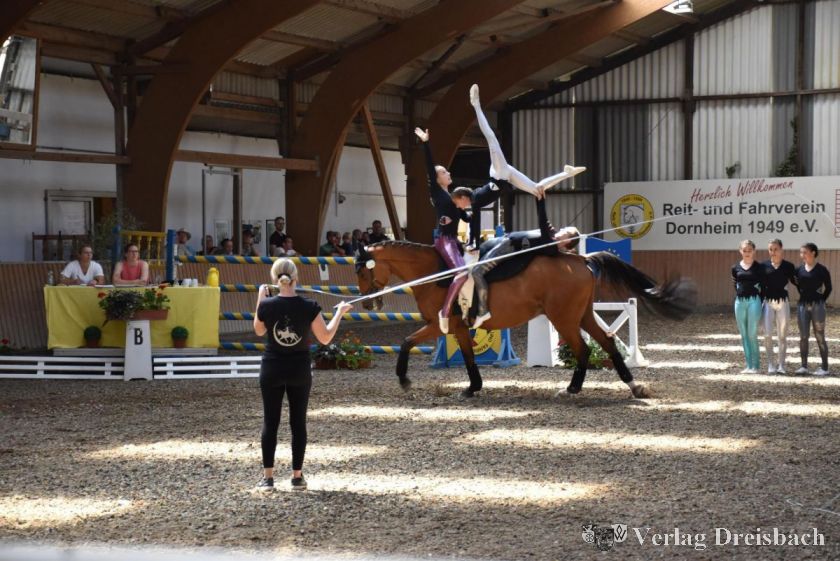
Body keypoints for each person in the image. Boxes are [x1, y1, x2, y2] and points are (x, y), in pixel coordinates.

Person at [252, 258, 353, 491]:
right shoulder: (309, 306)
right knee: (298, 422)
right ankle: (297, 477)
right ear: (296, 278)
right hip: (299, 369)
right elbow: (325, 337)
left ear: (274, 278)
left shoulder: (267, 305)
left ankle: (268, 478)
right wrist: (339, 313)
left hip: (272, 368)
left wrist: (260, 298)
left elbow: (258, 330)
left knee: (270, 422)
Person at [469, 197, 579, 328]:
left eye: (566, 232)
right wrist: (538, 196)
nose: (562, 229)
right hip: (505, 241)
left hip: (508, 247)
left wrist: (541, 200)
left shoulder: (550, 246)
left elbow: (542, 220)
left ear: (567, 241)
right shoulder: (552, 234)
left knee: (477, 272)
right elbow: (546, 222)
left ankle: (483, 310)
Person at [469, 83, 586, 200]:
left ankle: (476, 104)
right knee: (537, 188)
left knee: (491, 138)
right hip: (504, 174)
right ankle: (567, 173)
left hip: (499, 172)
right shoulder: (476, 200)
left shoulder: (477, 197)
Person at [415, 126, 474, 333]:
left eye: (447, 171)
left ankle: (466, 308)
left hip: (455, 240)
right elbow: (429, 167)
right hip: (444, 240)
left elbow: (464, 217)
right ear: (437, 178)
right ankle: (445, 311)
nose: (448, 173)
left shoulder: (452, 197)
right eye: (443, 172)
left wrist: (468, 214)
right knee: (462, 273)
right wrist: (425, 143)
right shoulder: (436, 192)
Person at [794, 242, 832, 376]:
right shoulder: (798, 270)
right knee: (803, 336)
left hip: (818, 307)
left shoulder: (822, 270)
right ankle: (803, 366)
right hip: (802, 306)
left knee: (820, 336)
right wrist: (805, 296)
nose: (802, 255)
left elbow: (829, 288)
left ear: (813, 253)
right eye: (801, 253)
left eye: (805, 252)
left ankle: (825, 368)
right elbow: (798, 286)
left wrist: (820, 300)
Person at [761, 239, 796, 374]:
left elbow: (797, 281)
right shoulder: (763, 266)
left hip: (783, 302)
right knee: (767, 334)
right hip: (768, 302)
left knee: (782, 336)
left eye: (776, 249)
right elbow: (759, 285)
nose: (773, 252)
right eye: (770, 249)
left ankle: (781, 365)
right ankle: (771, 364)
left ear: (781, 250)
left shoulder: (788, 266)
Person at [731, 240, 764, 374]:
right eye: (744, 250)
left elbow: (763, 286)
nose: (747, 253)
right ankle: (748, 365)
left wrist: (760, 300)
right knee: (744, 334)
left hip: (754, 301)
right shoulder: (735, 268)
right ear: (740, 251)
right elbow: (735, 284)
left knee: (751, 333)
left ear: (754, 251)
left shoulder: (759, 267)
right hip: (740, 302)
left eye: (749, 250)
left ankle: (755, 366)